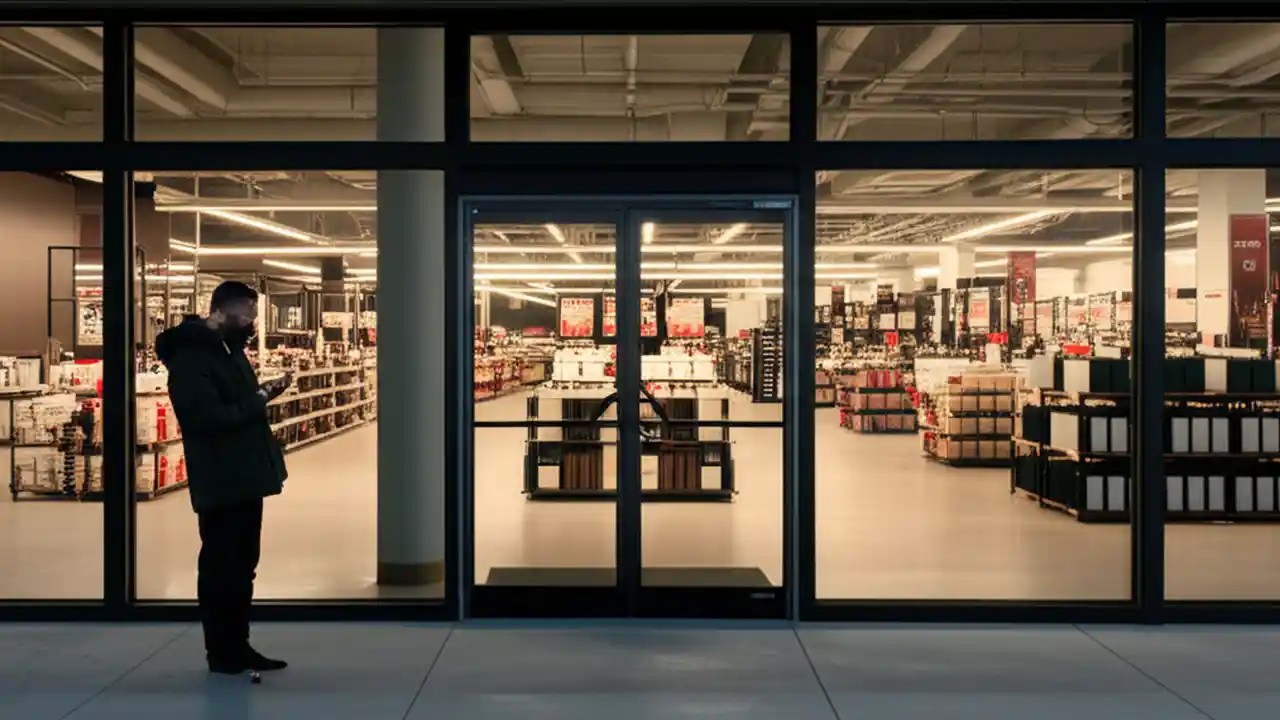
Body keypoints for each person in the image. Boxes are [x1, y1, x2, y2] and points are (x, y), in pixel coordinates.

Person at [155, 281, 292, 674]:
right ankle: (221, 651)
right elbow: (206, 418)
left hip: (244, 475)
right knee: (221, 566)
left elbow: (236, 403)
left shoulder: (228, 350)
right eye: (245, 314)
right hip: (221, 478)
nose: (251, 322)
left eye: (253, 314)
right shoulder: (191, 358)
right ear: (217, 311)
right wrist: (260, 398)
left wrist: (264, 394)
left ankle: (238, 644)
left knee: (242, 565)